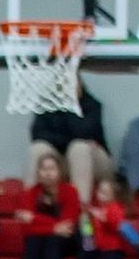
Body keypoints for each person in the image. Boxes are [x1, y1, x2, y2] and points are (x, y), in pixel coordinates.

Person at [29, 74, 111, 202]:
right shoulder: (48, 105)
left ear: (80, 84)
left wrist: (71, 106)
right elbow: (37, 134)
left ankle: (80, 209)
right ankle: (30, 205)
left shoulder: (93, 105)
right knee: (37, 148)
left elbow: (83, 133)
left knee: (79, 148)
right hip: (61, 159)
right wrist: (66, 140)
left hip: (95, 161)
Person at [12, 148, 79, 259]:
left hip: (66, 243)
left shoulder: (70, 191)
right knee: (36, 238)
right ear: (38, 172)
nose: (48, 173)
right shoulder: (30, 193)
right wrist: (53, 227)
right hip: (38, 240)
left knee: (52, 239)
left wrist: (34, 218)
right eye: (43, 169)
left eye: (52, 169)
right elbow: (26, 228)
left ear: (60, 171)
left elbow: (67, 226)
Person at [79, 174, 131, 259]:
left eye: (106, 192)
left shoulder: (115, 208)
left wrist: (105, 218)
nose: (102, 194)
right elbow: (89, 232)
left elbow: (119, 226)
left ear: (113, 195)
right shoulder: (97, 210)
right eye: (101, 191)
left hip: (114, 249)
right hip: (99, 247)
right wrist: (85, 222)